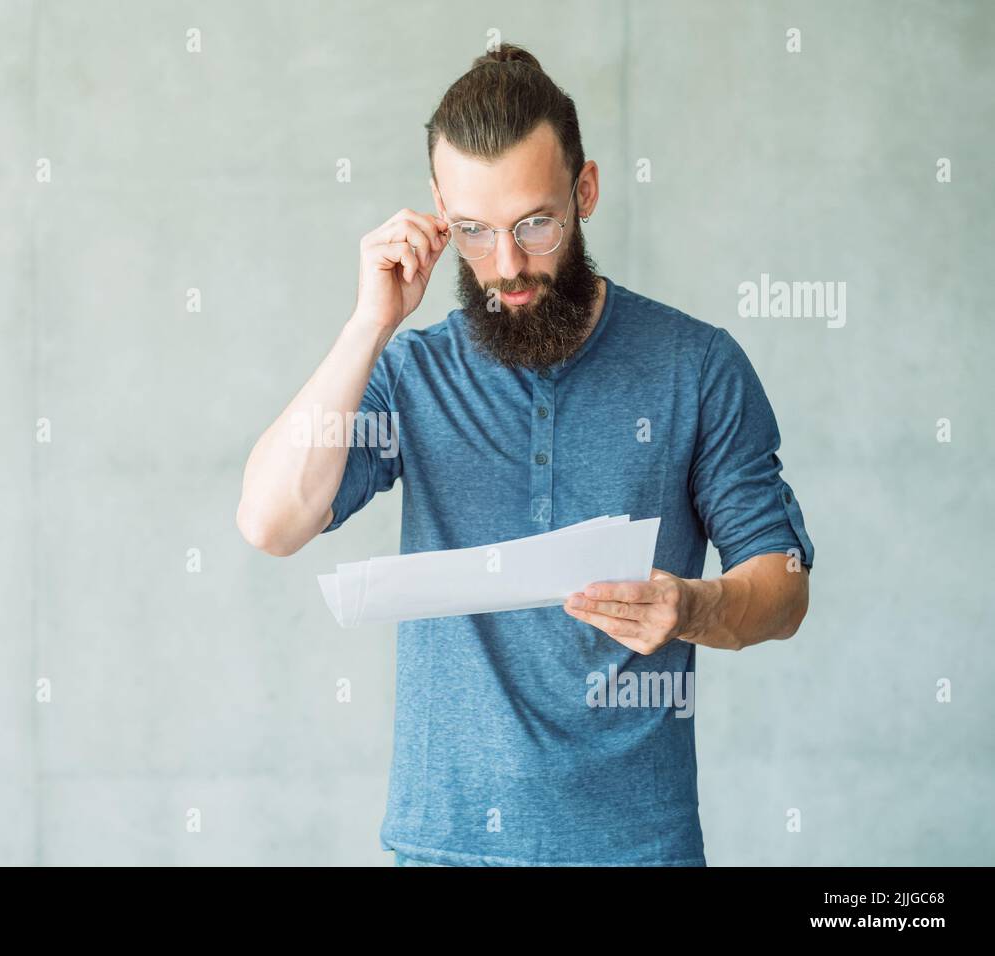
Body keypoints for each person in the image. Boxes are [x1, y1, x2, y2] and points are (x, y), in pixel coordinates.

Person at [236, 43, 814, 866]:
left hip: (638, 850)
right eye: (473, 231)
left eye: (534, 224)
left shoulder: (697, 367)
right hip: (443, 850)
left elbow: (783, 586)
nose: (506, 265)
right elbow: (269, 521)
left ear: (585, 191)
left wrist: (697, 607)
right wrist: (370, 324)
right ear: (439, 211)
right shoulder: (411, 373)